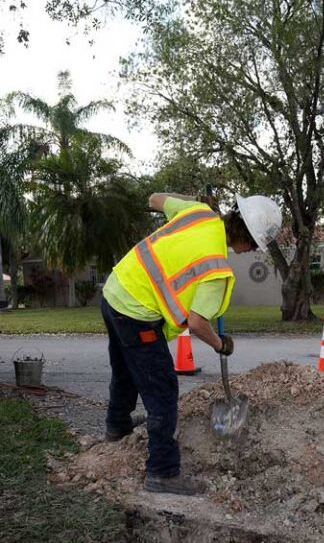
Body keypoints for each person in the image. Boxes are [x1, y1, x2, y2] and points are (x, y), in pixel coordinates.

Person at [101, 191, 282, 496]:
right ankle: (163, 472)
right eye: (253, 244)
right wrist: (220, 344)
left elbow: (154, 198)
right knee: (162, 389)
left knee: (126, 370)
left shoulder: (197, 212)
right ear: (246, 234)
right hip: (137, 313)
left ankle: (117, 425)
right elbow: (198, 323)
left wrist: (192, 199)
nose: (251, 250)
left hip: (114, 291)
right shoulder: (215, 267)